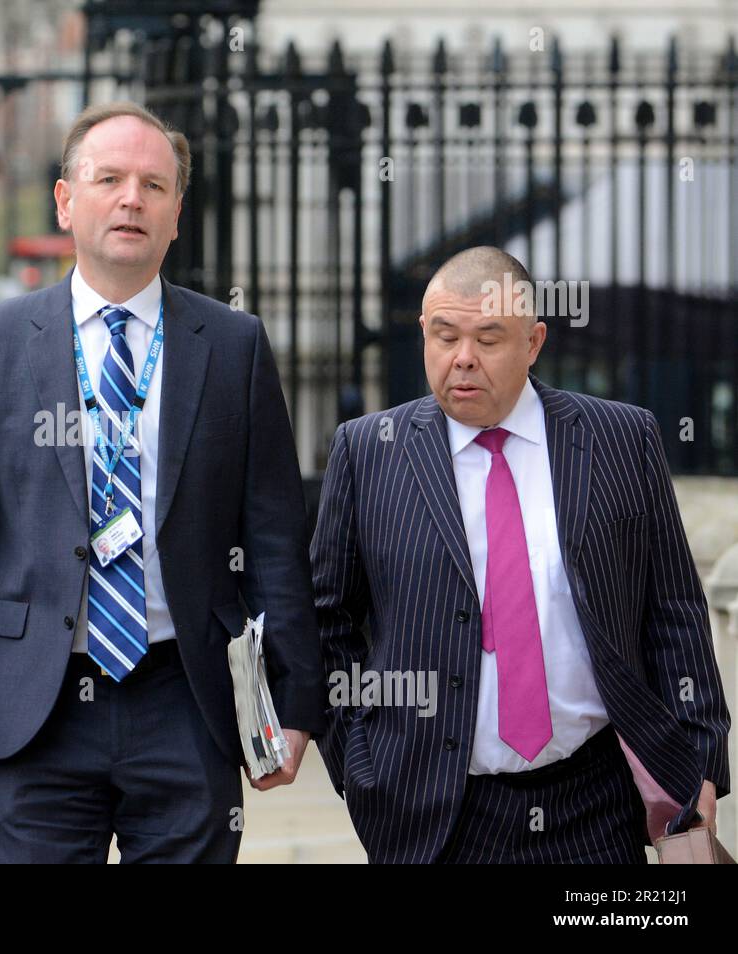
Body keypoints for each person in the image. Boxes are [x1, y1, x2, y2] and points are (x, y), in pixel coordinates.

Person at [0, 101, 324, 863]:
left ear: (176, 216)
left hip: (187, 700)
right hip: (38, 705)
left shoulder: (233, 345)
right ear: (67, 201)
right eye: (109, 179)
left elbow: (273, 533)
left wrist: (293, 701)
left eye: (154, 185)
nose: (132, 198)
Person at [311, 245, 731, 863]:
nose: (463, 358)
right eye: (444, 335)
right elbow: (326, 620)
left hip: (596, 803)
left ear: (534, 342)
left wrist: (700, 758)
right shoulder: (370, 452)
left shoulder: (620, 438)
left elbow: (672, 608)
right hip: (436, 812)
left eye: (489, 337)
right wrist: (361, 763)